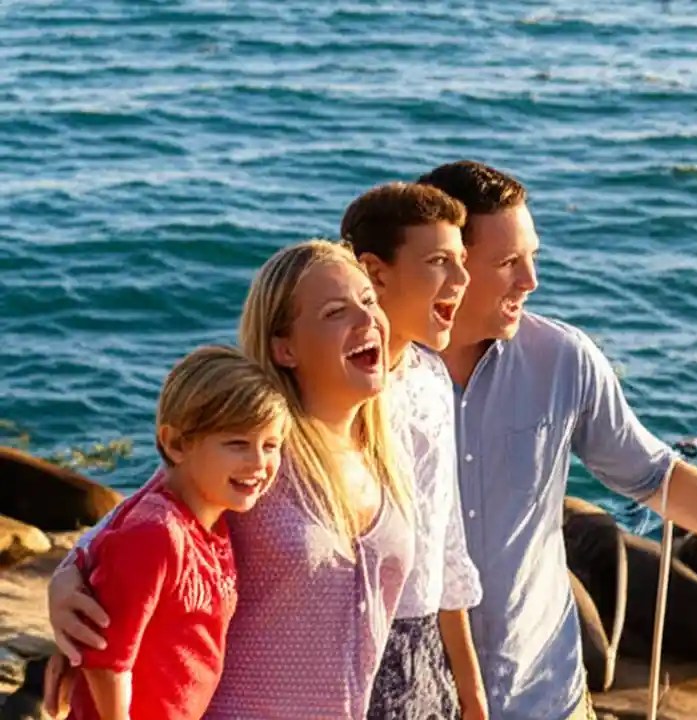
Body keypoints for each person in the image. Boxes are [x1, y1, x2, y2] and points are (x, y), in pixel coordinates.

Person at [415, 161, 697, 720]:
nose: (531, 280)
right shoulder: (375, 378)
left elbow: (653, 475)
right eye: (507, 263)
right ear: (447, 264)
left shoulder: (563, 361)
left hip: (547, 695)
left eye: (532, 257)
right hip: (415, 701)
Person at [49, 240, 419, 719]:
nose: (367, 320)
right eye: (335, 312)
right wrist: (66, 578)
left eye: (369, 301)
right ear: (284, 348)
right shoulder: (257, 457)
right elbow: (138, 522)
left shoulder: (386, 454)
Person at [68, 345, 289, 720]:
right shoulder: (156, 534)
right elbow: (107, 659)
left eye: (271, 445)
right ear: (175, 443)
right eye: (237, 444)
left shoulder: (214, 526)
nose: (259, 463)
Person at [340, 181, 487, 720]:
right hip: (350, 651)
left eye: (463, 261)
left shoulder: (429, 380)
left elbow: (445, 544)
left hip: (424, 652)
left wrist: (469, 690)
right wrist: (84, 566)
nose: (463, 279)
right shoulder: (325, 389)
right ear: (376, 273)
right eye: (440, 261)